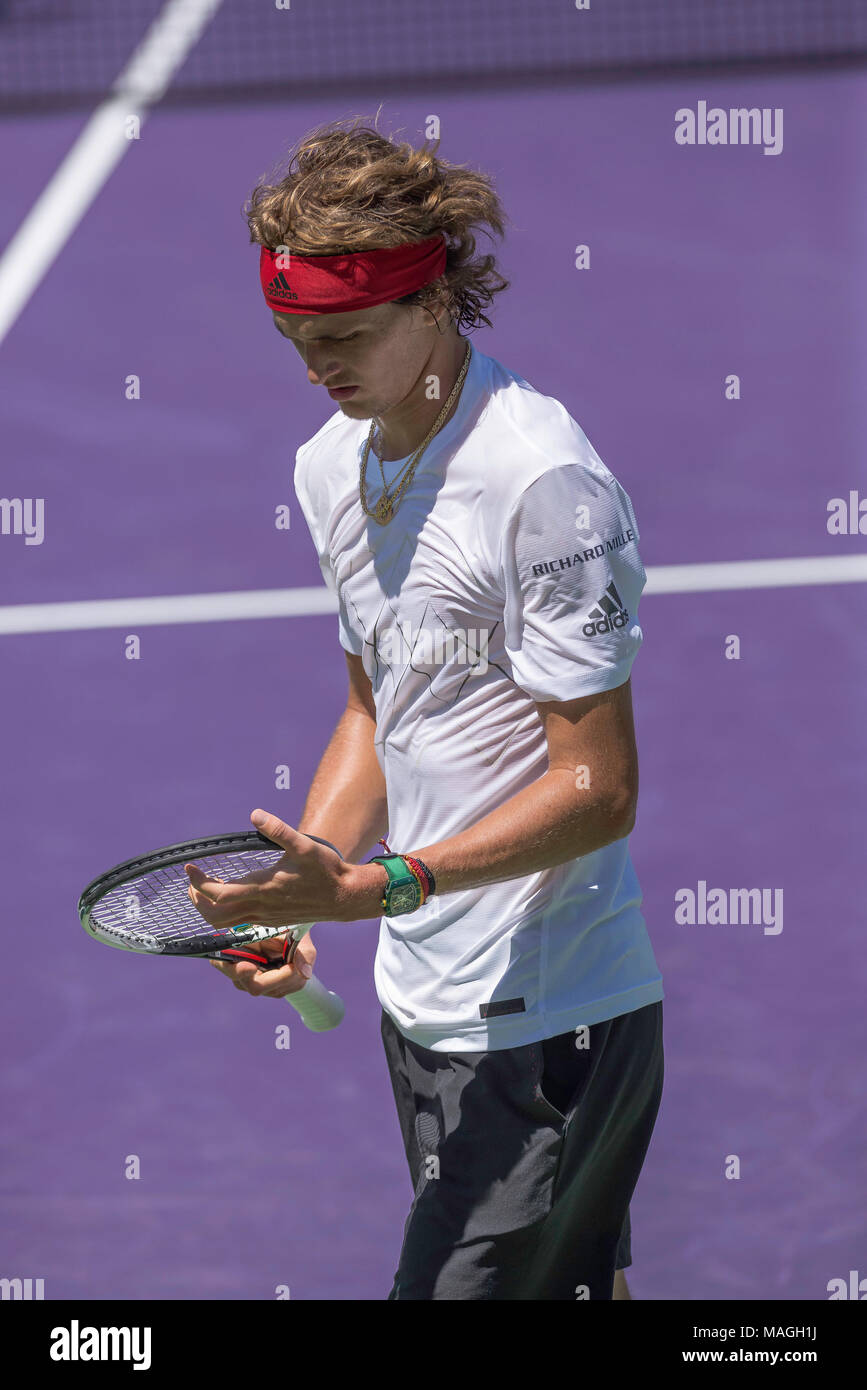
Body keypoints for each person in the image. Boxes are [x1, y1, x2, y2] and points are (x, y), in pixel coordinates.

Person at [189, 114, 664, 1300]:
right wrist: (317, 876)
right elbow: (376, 706)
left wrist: (381, 886)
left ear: (434, 297)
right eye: (295, 340)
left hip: (551, 1018)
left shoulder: (543, 484)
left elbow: (599, 791)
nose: (318, 369)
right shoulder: (329, 465)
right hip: (425, 1003)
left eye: (343, 336)